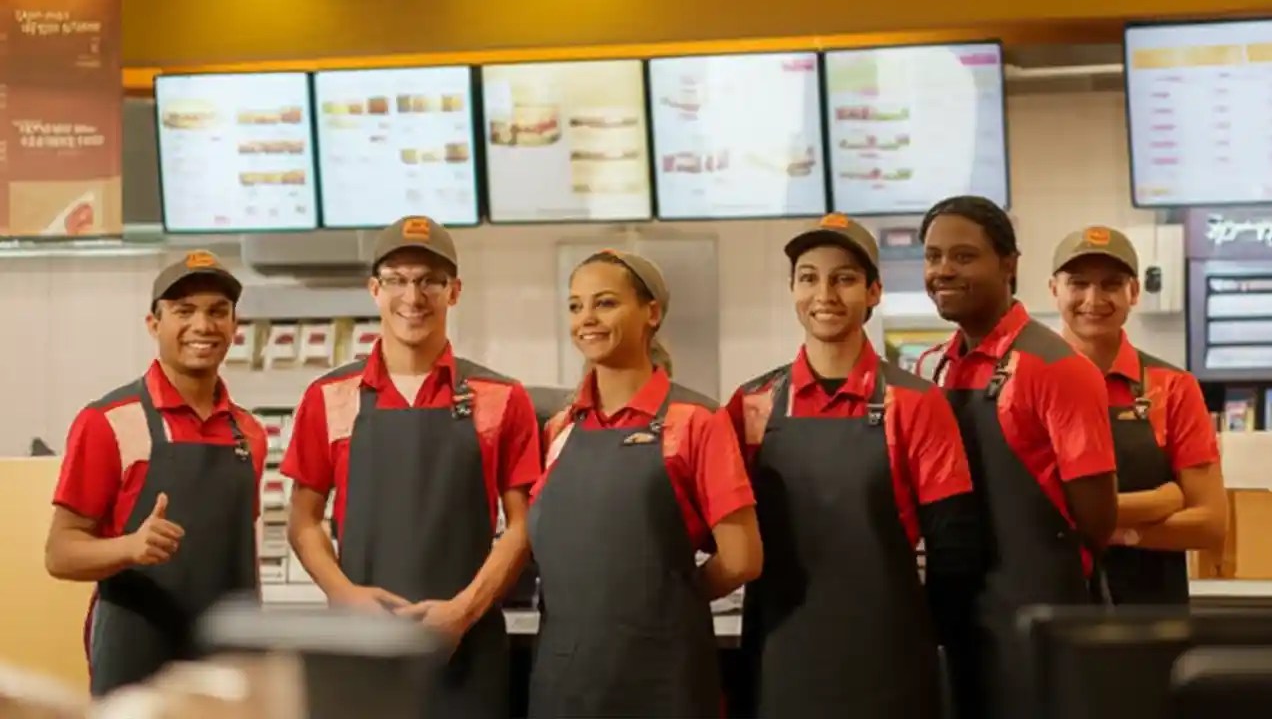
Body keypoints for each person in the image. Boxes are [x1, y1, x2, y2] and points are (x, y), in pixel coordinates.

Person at [724, 213, 984, 719]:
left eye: (843, 278)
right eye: (808, 278)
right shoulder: (750, 405)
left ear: (874, 291)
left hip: (888, 654)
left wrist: (922, 636)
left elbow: (956, 544)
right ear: (793, 289)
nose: (824, 294)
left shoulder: (916, 403)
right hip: (781, 651)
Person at [282, 216, 541, 719]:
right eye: (398, 280)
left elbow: (524, 526)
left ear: (454, 291)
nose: (413, 296)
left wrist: (461, 614)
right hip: (364, 650)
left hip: (469, 649)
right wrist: (345, 596)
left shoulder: (503, 398)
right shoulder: (328, 397)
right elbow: (304, 520)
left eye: (429, 281)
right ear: (374, 290)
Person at [526, 250, 763, 719]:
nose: (586, 319)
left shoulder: (695, 421)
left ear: (651, 313)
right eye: (575, 306)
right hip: (564, 682)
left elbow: (742, 558)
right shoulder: (559, 429)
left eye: (606, 303)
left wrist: (667, 600)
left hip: (662, 680)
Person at [915, 196, 1119, 719]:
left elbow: (1096, 521)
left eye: (963, 256)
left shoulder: (1057, 369)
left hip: (1042, 622)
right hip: (960, 619)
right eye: (933, 256)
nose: (943, 271)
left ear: (1009, 264)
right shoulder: (931, 367)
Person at [44, 250, 267, 697]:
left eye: (217, 312)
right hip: (135, 657)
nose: (203, 326)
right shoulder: (107, 421)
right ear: (154, 324)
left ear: (234, 326)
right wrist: (130, 547)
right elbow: (59, 553)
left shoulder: (249, 433)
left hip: (226, 662)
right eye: (184, 311)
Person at [1049, 225, 1227, 604]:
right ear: (1054, 290)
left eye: (1111, 284)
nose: (1093, 298)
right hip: (1053, 611)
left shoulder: (1173, 387)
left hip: (1153, 617)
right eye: (1078, 283)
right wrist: (1161, 501)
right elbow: (1034, 516)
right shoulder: (1027, 382)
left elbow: (1211, 525)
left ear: (1133, 293)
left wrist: (1112, 531)